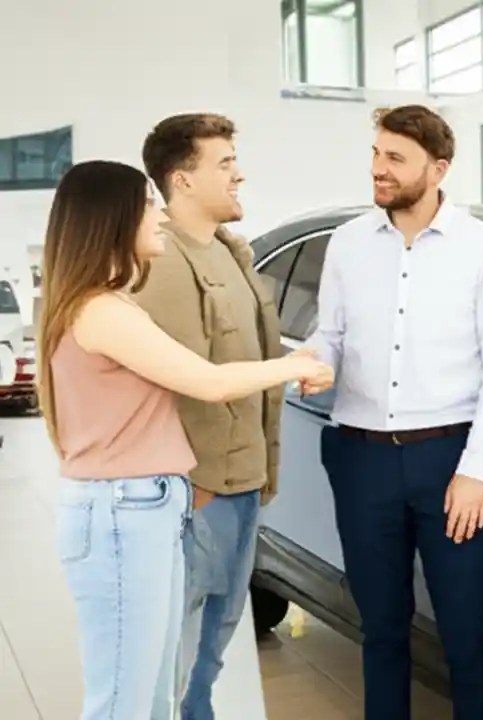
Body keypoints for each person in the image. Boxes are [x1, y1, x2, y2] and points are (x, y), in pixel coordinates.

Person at [36, 159, 331, 720]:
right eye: (145, 204)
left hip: (141, 507)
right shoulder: (99, 311)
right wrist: (294, 366)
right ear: (113, 220)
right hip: (122, 512)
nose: (156, 215)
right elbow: (208, 380)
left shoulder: (108, 304)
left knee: (147, 696)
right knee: (123, 700)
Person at [300, 104, 483, 720]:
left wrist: (475, 470)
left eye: (395, 158)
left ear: (438, 167)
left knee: (466, 634)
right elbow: (331, 336)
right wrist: (307, 362)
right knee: (381, 630)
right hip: (361, 459)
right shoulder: (347, 243)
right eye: (376, 154)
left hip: (448, 463)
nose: (379, 169)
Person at [133, 112, 283, 720]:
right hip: (202, 490)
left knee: (212, 646)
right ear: (182, 179)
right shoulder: (165, 261)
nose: (238, 173)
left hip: (242, 482)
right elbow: (168, 386)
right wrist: (188, 486)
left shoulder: (227, 249)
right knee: (178, 643)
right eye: (224, 163)